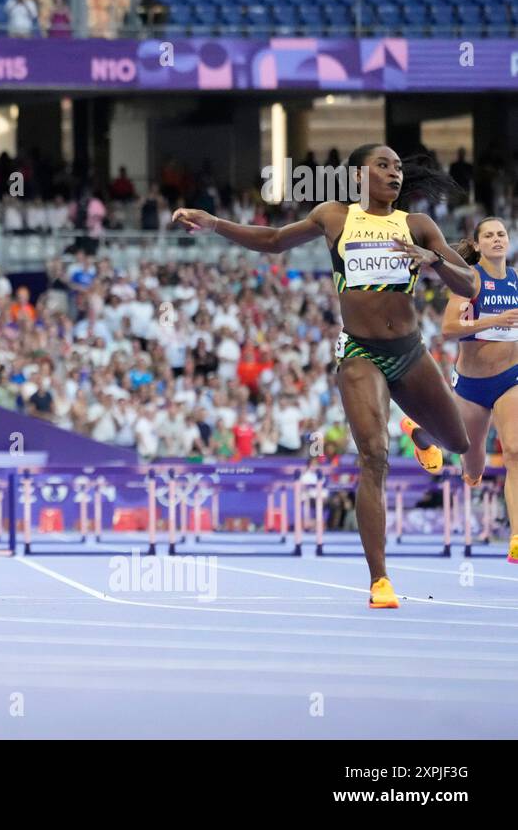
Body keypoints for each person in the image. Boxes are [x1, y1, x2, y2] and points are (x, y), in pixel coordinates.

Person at [173, 144, 474, 609]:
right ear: (359, 175)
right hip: (359, 352)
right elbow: (273, 241)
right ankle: (380, 580)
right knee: (373, 455)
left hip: (410, 353)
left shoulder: (417, 226)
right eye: (383, 166)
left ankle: (418, 430)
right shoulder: (334, 217)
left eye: (397, 168)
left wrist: (433, 260)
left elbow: (470, 284)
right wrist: (215, 224)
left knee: (460, 445)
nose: (394, 174)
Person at [431, 217, 518, 562]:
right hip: (470, 386)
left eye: (501, 234)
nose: (497, 239)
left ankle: (516, 537)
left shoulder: (516, 280)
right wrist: (493, 321)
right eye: (489, 235)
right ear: (478, 245)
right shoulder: (469, 280)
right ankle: (465, 467)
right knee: (473, 470)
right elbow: (448, 329)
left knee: (514, 452)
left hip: (510, 378)